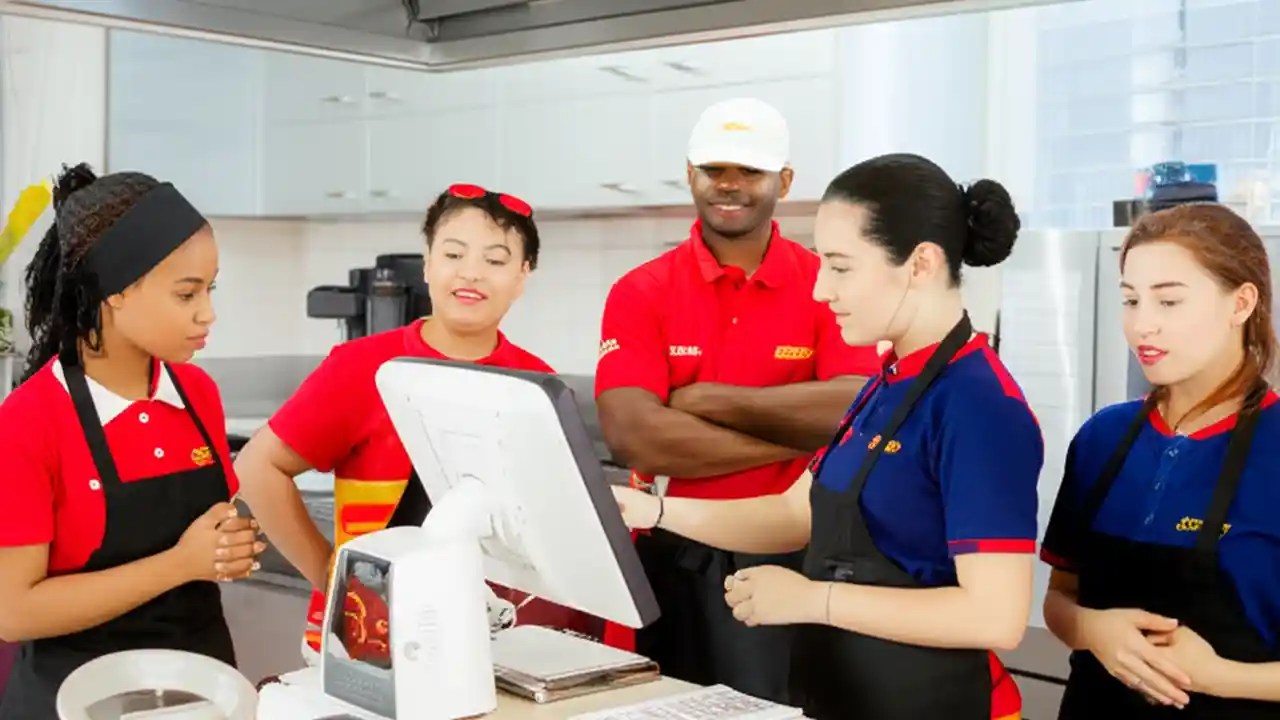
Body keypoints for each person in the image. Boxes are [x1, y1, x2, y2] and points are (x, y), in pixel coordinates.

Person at [612, 153, 1040, 720]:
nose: (819, 290)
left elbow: (995, 617)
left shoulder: (980, 407)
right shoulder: (886, 384)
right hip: (848, 695)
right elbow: (795, 515)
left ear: (921, 264)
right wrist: (654, 512)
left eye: (840, 267)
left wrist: (815, 599)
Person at [234, 184, 601, 664]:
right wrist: (332, 574)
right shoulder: (362, 367)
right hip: (364, 640)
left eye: (496, 260)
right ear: (428, 262)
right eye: (453, 253)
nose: (471, 272)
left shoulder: (538, 386)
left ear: (522, 276)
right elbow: (258, 469)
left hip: (490, 644)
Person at [595, 97, 882, 703]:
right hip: (669, 552)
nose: (728, 185)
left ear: (783, 181)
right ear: (690, 174)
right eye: (714, 168)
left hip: (790, 555)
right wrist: (798, 427)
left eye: (748, 171)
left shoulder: (825, 284)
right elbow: (633, 434)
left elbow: (854, 407)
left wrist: (705, 399)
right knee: (664, 710)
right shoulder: (641, 290)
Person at [0, 164, 263, 718]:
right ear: (116, 291)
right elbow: (14, 611)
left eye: (210, 289)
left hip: (201, 694)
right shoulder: (30, 421)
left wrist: (228, 544)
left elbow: (208, 533)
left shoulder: (197, 392)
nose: (207, 313)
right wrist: (182, 563)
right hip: (72, 701)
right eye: (187, 293)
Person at [1040, 203, 1280, 717]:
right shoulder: (1102, 439)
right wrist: (1094, 630)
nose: (1142, 326)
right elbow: (1059, 598)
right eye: (1130, 300)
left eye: (1168, 302)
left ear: (1241, 304)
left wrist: (1220, 675)